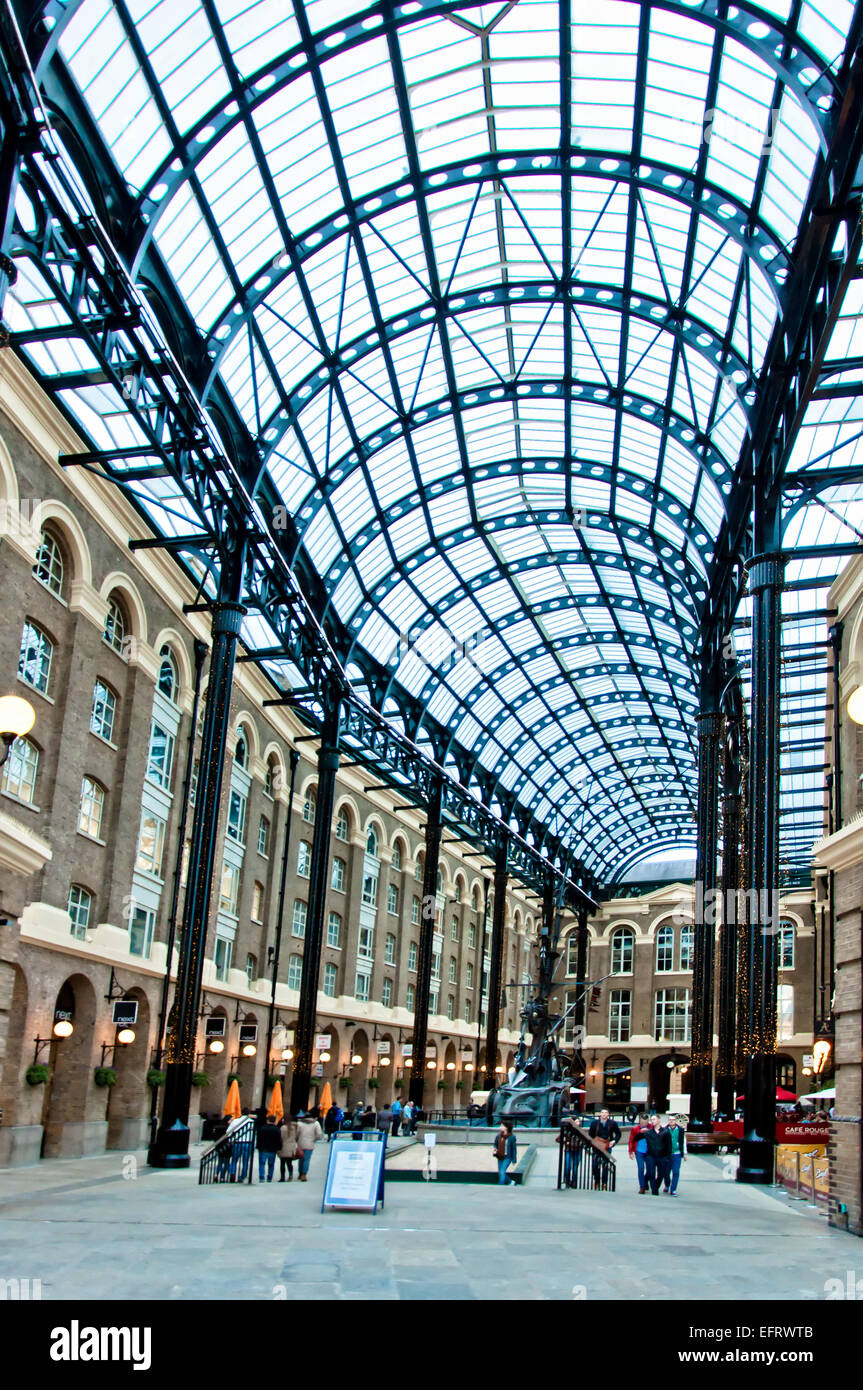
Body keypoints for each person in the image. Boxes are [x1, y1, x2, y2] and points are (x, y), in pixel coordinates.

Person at [642, 1113, 672, 1195]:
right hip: (651, 1156)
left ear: (659, 1120)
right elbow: (637, 1138)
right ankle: (654, 1190)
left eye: (654, 1119)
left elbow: (669, 1145)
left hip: (662, 1156)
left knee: (661, 1174)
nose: (652, 1121)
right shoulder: (649, 1132)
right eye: (651, 1120)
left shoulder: (665, 1132)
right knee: (651, 1173)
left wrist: (668, 1157)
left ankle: (655, 1186)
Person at [295, 1107, 324, 1181]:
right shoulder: (316, 1123)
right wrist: (314, 1139)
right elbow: (319, 1134)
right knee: (306, 1160)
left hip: (300, 1144)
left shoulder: (299, 1123)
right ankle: (304, 1175)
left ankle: (300, 1173)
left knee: (300, 1159)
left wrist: (297, 1140)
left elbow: (296, 1134)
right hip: (310, 1144)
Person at [558, 1114, 584, 1187]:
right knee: (567, 1166)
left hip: (578, 1150)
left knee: (575, 1167)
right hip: (569, 1149)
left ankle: (574, 1181)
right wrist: (566, 1142)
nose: (577, 1123)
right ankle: (567, 1180)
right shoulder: (568, 1130)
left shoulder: (581, 1131)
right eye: (576, 1121)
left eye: (578, 1122)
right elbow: (558, 1139)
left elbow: (586, 1141)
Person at [664, 1114, 687, 1195]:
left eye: (673, 1120)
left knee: (676, 1172)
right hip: (667, 1154)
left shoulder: (680, 1130)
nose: (671, 1121)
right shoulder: (665, 1130)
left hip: (677, 1154)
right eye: (670, 1120)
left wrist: (684, 1153)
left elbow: (683, 1141)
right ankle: (667, 1184)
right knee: (666, 1173)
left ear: (676, 1121)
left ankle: (673, 1189)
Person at [628, 1112, 650, 1193]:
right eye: (642, 1121)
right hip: (639, 1151)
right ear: (639, 1121)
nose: (644, 1123)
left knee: (650, 1170)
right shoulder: (635, 1129)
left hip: (649, 1151)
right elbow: (631, 1140)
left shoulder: (651, 1127)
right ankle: (642, 1187)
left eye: (646, 1122)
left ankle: (645, 1180)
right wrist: (630, 1152)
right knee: (641, 1168)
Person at [257, 1112, 281, 1183]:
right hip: (272, 1149)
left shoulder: (262, 1128)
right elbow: (278, 1140)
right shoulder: (277, 1129)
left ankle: (262, 1177)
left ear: (267, 1120)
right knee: (271, 1164)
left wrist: (258, 1147)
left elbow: (259, 1139)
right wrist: (278, 1148)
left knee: (262, 1163)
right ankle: (269, 1177)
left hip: (263, 1149)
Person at [494, 1118, 517, 1185]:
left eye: (502, 1126)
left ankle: (500, 1186)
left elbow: (514, 1149)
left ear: (507, 1127)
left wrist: (514, 1160)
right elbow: (495, 1144)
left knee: (502, 1171)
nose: (500, 1127)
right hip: (500, 1156)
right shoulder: (498, 1136)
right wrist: (495, 1149)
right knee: (500, 1172)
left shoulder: (512, 1137)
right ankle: (511, 1182)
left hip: (507, 1157)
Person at [278, 1112, 299, 1181]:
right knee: (289, 1163)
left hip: (284, 1147)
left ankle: (282, 1177)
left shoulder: (283, 1128)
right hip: (291, 1147)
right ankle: (290, 1175)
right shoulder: (294, 1128)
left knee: (282, 1163)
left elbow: (280, 1137)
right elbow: (296, 1137)